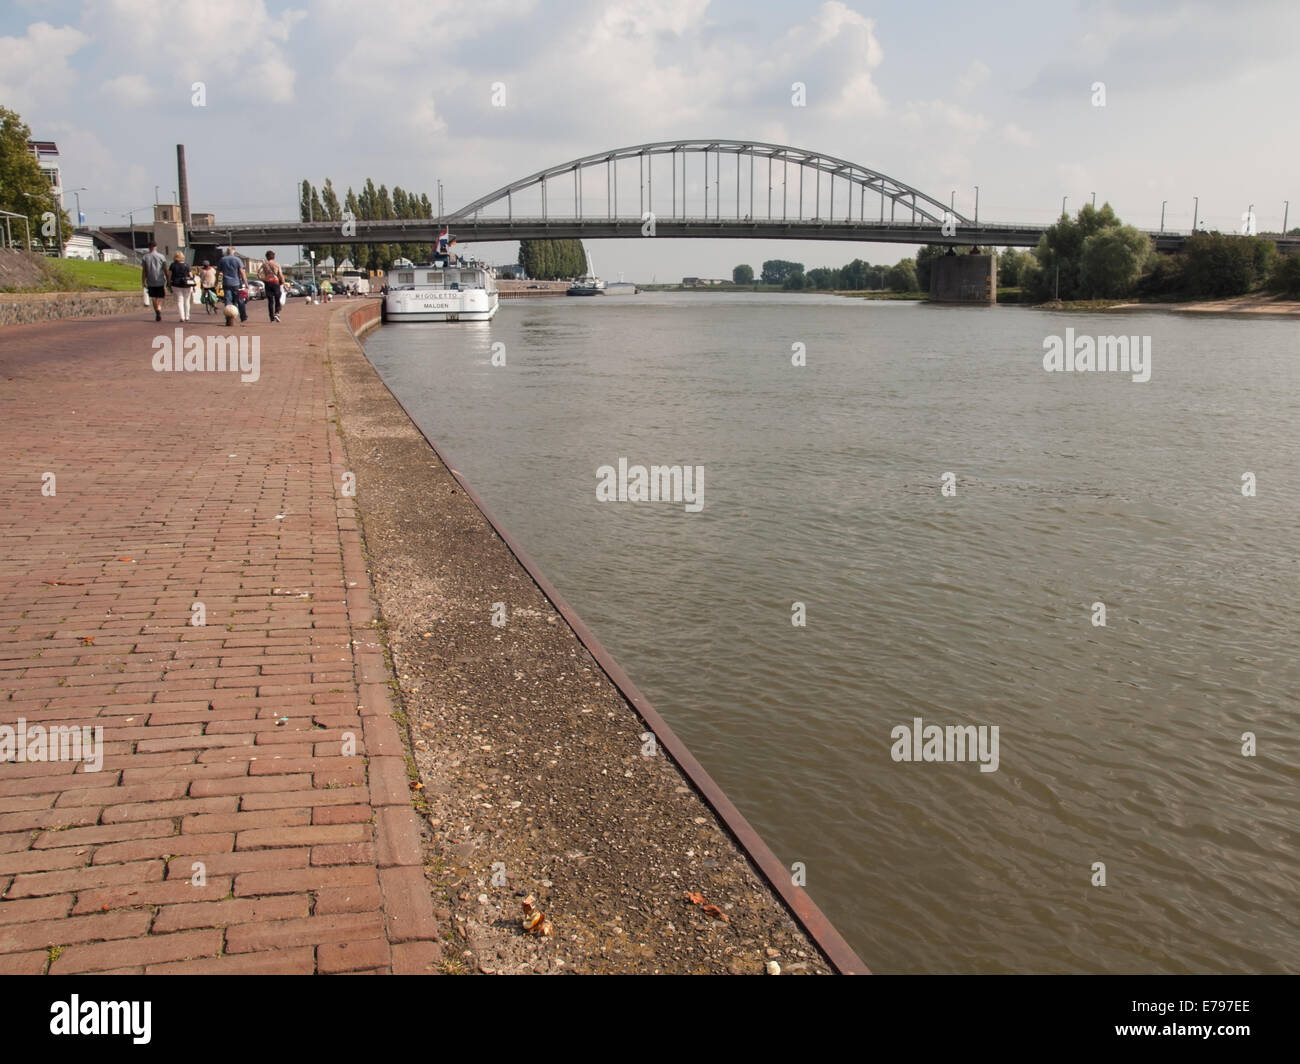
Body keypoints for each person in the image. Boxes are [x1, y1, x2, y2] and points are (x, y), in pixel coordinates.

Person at [217, 247, 248, 325]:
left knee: (228, 301)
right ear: (233, 252)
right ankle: (243, 317)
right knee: (240, 300)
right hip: (237, 283)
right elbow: (242, 272)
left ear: (227, 252)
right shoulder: (237, 260)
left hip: (226, 283)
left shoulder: (222, 260)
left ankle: (228, 318)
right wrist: (246, 283)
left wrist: (217, 282)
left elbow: (218, 272)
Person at [141, 241, 168, 322]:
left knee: (153, 297)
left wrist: (143, 281)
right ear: (156, 246)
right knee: (160, 297)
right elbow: (165, 269)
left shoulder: (145, 257)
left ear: (149, 247)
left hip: (150, 280)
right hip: (160, 280)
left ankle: (156, 311)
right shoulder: (161, 257)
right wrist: (168, 279)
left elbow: (144, 271)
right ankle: (159, 308)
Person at [258, 250, 284, 323]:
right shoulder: (277, 264)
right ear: (273, 257)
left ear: (266, 257)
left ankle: (271, 317)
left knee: (270, 301)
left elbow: (258, 273)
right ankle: (277, 313)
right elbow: (281, 275)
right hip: (275, 282)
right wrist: (283, 283)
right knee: (277, 298)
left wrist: (262, 279)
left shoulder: (264, 264)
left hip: (267, 282)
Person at [168, 252, 193, 322]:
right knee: (187, 301)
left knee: (180, 301)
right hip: (187, 285)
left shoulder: (172, 265)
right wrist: (193, 286)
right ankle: (187, 316)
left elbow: (169, 276)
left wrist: (169, 283)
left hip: (176, 285)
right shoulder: (187, 265)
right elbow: (191, 276)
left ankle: (182, 317)